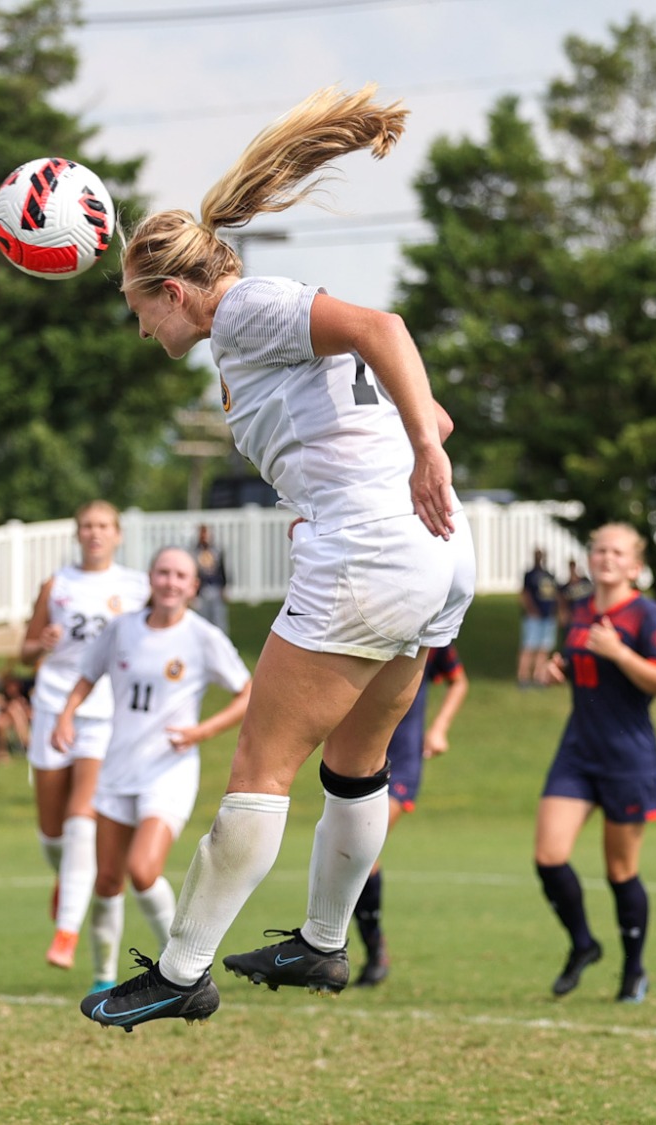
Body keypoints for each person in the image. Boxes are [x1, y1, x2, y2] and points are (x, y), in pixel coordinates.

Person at [83, 84, 473, 1031]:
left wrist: (421, 451)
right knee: (357, 760)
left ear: (171, 292)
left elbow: (386, 332)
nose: (143, 332)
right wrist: (399, 453)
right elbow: (409, 405)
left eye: (141, 312)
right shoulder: (243, 335)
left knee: (260, 763)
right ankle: (325, 942)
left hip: (375, 548)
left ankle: (181, 969)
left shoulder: (244, 308)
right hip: (434, 554)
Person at [53, 547, 252, 994]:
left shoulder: (202, 637)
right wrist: (66, 715)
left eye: (180, 576)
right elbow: (86, 676)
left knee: (142, 869)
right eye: (163, 573)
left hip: (170, 772)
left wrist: (201, 732)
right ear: (150, 578)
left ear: (193, 587)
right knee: (107, 879)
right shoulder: (122, 630)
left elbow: (247, 691)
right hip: (118, 768)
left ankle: (183, 972)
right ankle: (103, 977)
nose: (170, 582)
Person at [530, 524, 656, 1003]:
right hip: (577, 750)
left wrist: (619, 653)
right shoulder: (579, 610)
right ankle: (583, 943)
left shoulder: (647, 615)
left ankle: (634, 971)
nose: (605, 558)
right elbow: (579, 664)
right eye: (598, 550)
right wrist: (559, 670)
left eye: (617, 552)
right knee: (549, 857)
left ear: (635, 566)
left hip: (627, 756)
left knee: (620, 871)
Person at [21, 500, 149, 972]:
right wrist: (42, 643)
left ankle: (67, 933)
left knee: (82, 817)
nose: (94, 533)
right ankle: (66, 883)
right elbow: (24, 650)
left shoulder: (136, 588)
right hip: (53, 708)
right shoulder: (57, 586)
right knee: (53, 832)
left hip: (104, 712)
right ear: (77, 534)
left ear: (117, 534)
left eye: (102, 526)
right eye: (86, 526)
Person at [350, 642, 467, 988]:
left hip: (400, 764)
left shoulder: (431, 633)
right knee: (352, 854)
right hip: (356, 760)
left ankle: (367, 951)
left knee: (361, 843)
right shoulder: (362, 629)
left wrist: (439, 728)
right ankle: (352, 948)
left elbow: (459, 681)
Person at [518, 548, 560, 688]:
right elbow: (524, 594)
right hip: (534, 617)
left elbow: (555, 594)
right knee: (529, 647)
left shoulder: (549, 575)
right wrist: (530, 610)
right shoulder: (530, 575)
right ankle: (523, 677)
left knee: (544, 648)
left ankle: (539, 677)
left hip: (549, 617)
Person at [189, 525, 229, 633]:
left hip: (215, 588)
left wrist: (224, 587)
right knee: (202, 620)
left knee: (219, 619)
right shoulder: (194, 553)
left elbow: (222, 570)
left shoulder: (216, 551)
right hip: (202, 590)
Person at [557, 559, 592, 624]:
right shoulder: (565, 587)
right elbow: (562, 602)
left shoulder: (585, 582)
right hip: (574, 617)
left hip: (587, 614)